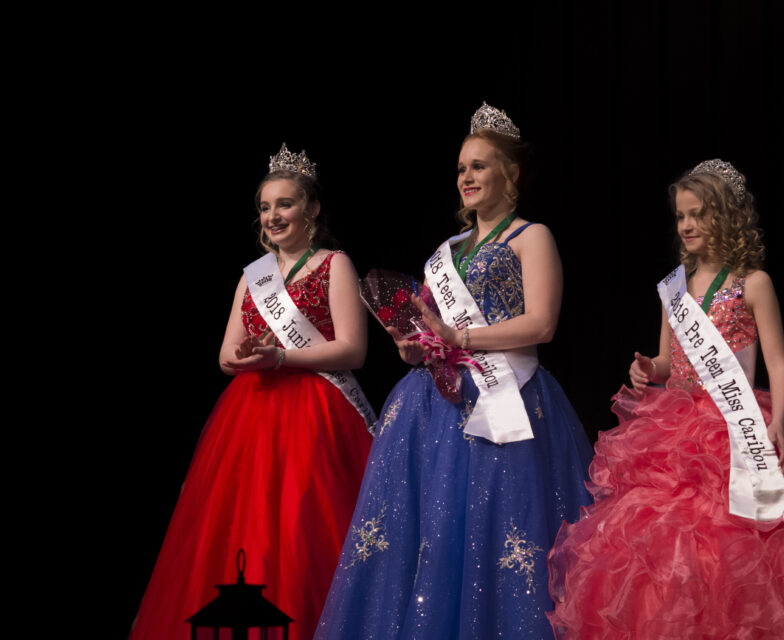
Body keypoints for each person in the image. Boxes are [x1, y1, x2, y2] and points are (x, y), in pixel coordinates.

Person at [547, 160, 784, 639]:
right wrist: (647, 369)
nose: (687, 225)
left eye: (698, 214)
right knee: (670, 548)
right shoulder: (673, 288)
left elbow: (779, 365)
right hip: (674, 431)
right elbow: (667, 362)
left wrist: (778, 423)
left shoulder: (753, 282)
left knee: (745, 546)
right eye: (680, 216)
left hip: (736, 426)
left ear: (727, 217)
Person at [315, 103, 594, 640]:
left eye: (480, 166)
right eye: (462, 168)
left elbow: (542, 323)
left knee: (503, 536)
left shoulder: (532, 236)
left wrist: (459, 337)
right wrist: (411, 345)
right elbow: (430, 337)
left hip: (509, 397)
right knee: (435, 539)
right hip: (434, 406)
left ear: (510, 175)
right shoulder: (445, 253)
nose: (466, 177)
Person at [129, 145, 375, 640]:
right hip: (250, 415)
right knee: (240, 526)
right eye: (265, 207)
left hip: (316, 413)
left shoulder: (334, 264)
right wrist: (247, 355)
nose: (272, 216)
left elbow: (352, 351)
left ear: (312, 208)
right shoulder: (253, 276)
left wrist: (282, 356)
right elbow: (224, 357)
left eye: (284, 204)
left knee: (304, 527)